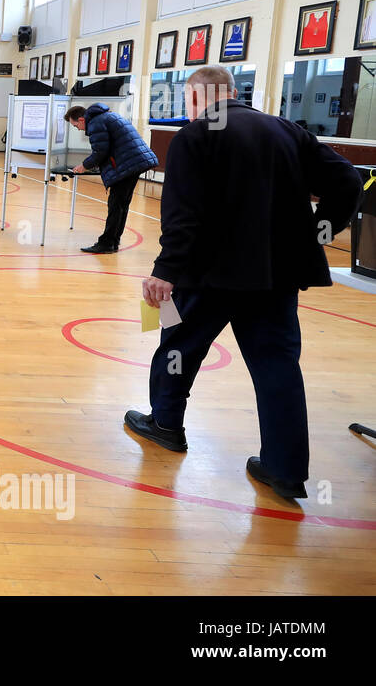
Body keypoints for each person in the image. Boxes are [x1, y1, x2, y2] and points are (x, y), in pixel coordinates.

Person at [125, 66, 362, 501]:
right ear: (235, 93)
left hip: (209, 274)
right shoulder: (287, 130)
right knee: (277, 368)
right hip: (274, 276)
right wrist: (319, 233)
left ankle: (166, 424)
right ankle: (284, 469)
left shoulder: (194, 137)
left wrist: (165, 271)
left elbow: (182, 217)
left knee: (178, 347)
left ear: (194, 100)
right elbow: (348, 180)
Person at [66, 103, 159, 253]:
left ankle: (107, 243)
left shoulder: (96, 123)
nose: (77, 129)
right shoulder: (108, 116)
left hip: (129, 165)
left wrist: (84, 166)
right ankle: (113, 241)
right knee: (122, 205)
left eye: (76, 125)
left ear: (82, 120)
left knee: (116, 205)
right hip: (136, 162)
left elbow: (100, 151)